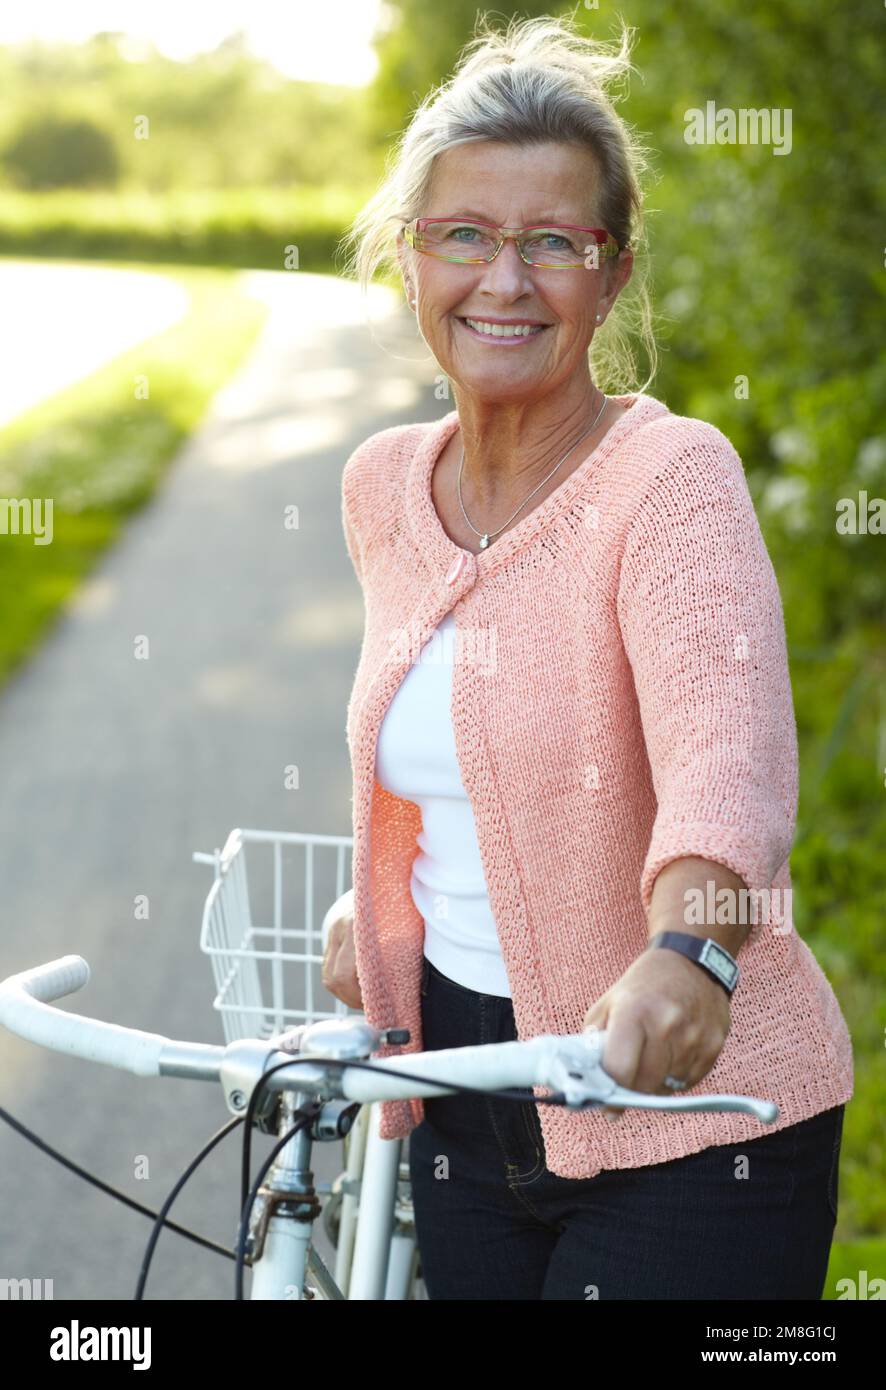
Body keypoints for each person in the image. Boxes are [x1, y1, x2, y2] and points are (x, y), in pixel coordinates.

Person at [323, 13, 852, 1300]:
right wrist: (382, 909)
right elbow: (456, 750)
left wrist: (694, 955)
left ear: (609, 278)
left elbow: (727, 767)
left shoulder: (668, 481)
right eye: (465, 235)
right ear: (411, 259)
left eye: (553, 242)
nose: (504, 281)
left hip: (687, 1107)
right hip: (455, 1091)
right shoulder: (384, 486)